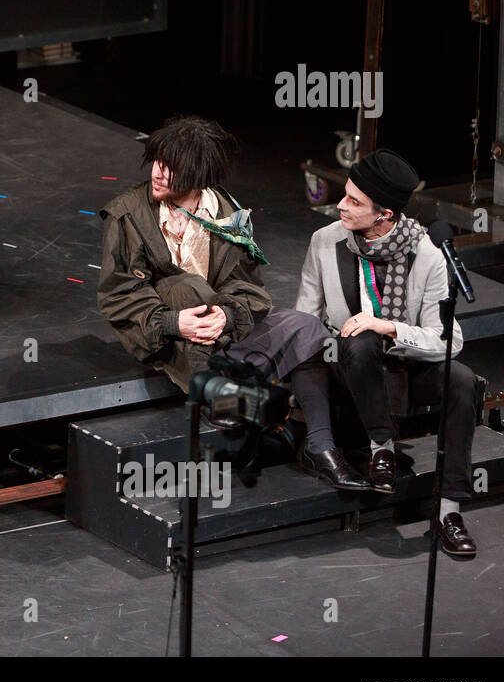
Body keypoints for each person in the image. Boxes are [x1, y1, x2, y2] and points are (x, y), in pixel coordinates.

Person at [96, 114, 330, 445]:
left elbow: (248, 285)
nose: (158, 172)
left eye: (171, 166)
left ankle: (321, 444)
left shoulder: (227, 215)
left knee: (307, 327)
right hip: (162, 330)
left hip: (218, 324)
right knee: (187, 287)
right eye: (157, 161)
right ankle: (231, 394)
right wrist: (174, 323)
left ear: (199, 175)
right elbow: (119, 293)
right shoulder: (128, 215)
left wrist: (228, 315)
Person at [295, 149, 479, 556]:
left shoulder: (428, 256)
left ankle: (448, 510)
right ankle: (383, 449)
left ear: (385, 215)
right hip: (352, 370)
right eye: (345, 194)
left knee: (462, 380)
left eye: (355, 202)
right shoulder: (325, 242)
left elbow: (450, 340)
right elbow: (304, 320)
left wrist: (389, 327)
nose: (340, 205)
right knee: (359, 342)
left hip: (406, 366)